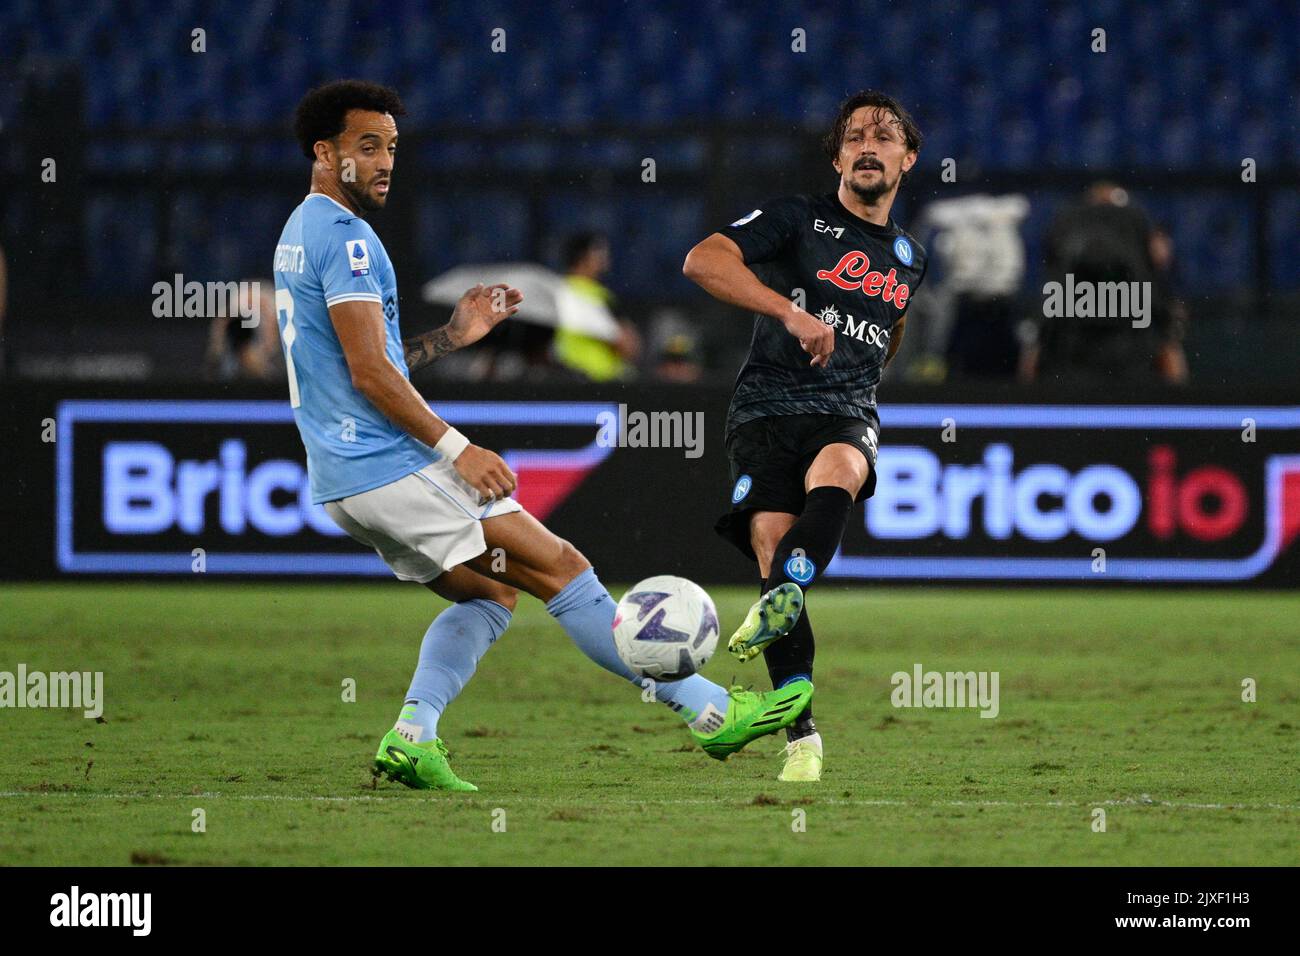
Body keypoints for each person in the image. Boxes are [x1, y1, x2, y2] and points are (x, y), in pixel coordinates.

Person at [273, 80, 812, 791]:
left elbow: (363, 361)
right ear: (324, 151)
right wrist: (456, 448)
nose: (384, 162)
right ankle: (712, 713)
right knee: (564, 569)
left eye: (392, 148)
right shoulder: (346, 238)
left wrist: (454, 336)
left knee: (490, 597)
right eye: (366, 146)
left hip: (344, 479)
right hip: (387, 463)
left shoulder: (299, 231)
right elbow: (371, 375)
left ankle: (412, 735)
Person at [683, 90, 928, 783]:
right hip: (765, 407)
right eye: (854, 137)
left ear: (908, 159)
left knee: (842, 469)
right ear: (838, 157)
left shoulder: (911, 256)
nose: (868, 146)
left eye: (885, 135)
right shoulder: (797, 218)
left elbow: (891, 327)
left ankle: (785, 597)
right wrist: (788, 314)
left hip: (845, 407)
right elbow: (703, 261)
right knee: (770, 541)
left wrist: (863, 364)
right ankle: (803, 735)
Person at [554, 231, 642, 381]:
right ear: (582, 257)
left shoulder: (558, 290)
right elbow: (627, 346)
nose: (604, 257)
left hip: (577, 379)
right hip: (593, 382)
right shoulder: (586, 295)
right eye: (598, 251)